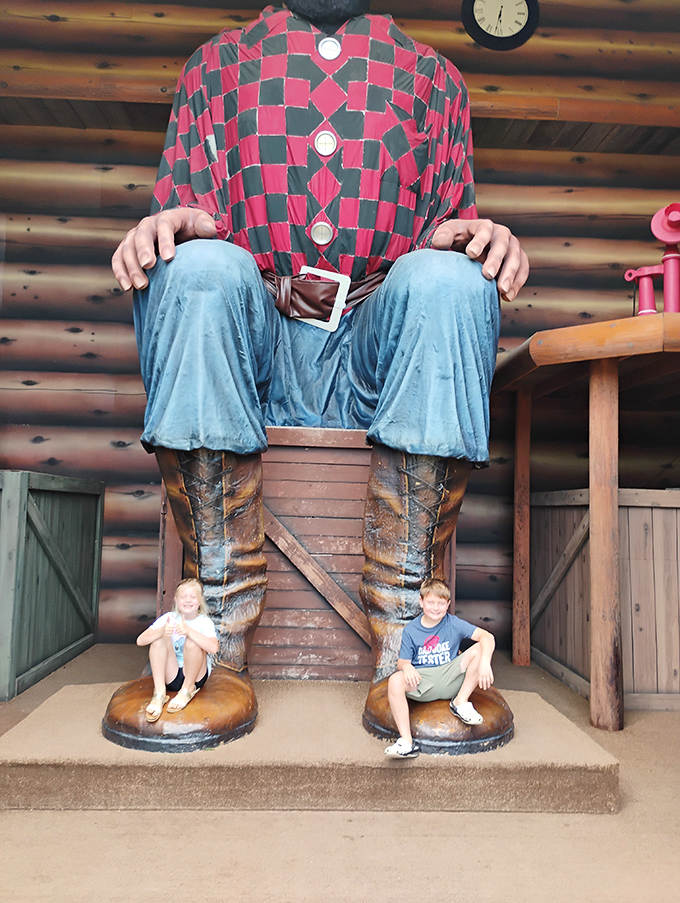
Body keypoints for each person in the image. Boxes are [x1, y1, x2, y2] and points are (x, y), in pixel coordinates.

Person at [111, 1, 529, 741]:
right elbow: (187, 221)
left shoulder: (436, 80)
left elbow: (446, 238)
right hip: (256, 343)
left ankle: (409, 637)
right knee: (196, 269)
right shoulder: (215, 66)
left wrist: (476, 242)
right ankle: (213, 635)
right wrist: (164, 227)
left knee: (451, 283)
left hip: (375, 349)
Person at [384, 578, 495, 758]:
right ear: (421, 602)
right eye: (431, 602)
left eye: (441, 603)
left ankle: (460, 702)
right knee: (395, 680)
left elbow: (487, 636)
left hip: (450, 676)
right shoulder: (411, 630)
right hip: (423, 681)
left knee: (480, 647)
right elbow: (402, 661)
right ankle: (406, 742)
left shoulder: (453, 623)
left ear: (448, 604)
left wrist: (484, 663)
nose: (436, 608)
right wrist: (407, 667)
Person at [136, 578, 219, 722]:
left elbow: (213, 648)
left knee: (193, 643)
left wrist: (188, 631)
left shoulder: (204, 622)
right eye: (183, 597)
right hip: (172, 675)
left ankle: (186, 691)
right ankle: (160, 693)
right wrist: (161, 631)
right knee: (158, 640)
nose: (188, 600)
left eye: (193, 597)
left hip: (194, 678)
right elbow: (140, 641)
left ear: (199, 601)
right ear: (176, 600)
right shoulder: (168, 618)